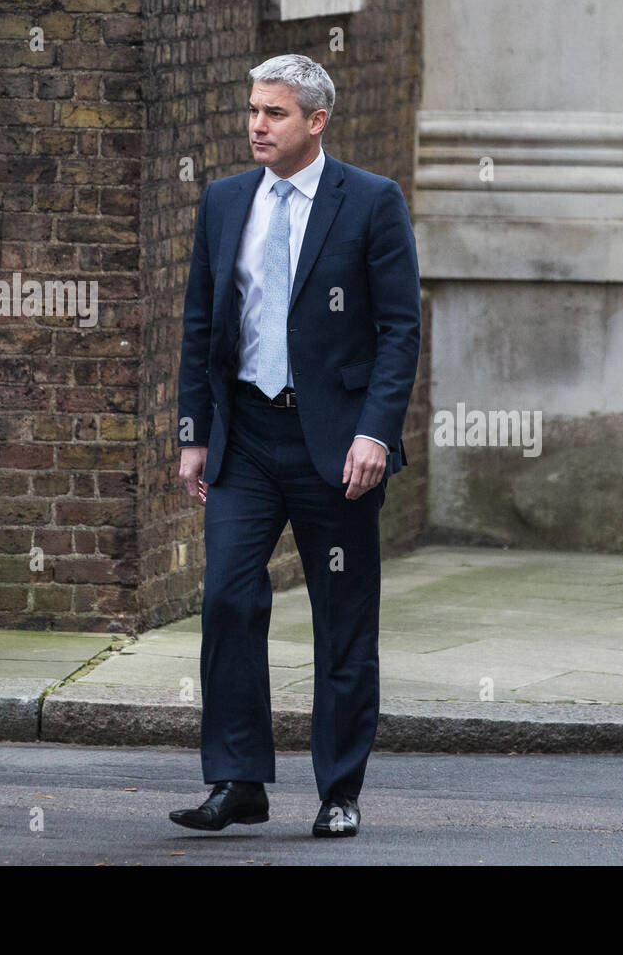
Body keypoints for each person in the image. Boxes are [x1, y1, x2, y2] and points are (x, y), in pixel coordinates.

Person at [169, 53, 420, 837]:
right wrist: (192, 434)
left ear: (316, 121)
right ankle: (238, 779)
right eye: (253, 110)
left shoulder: (371, 203)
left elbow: (399, 330)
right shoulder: (223, 202)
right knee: (227, 600)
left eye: (274, 113)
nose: (256, 125)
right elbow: (201, 327)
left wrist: (376, 430)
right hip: (245, 437)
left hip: (337, 447)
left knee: (342, 619)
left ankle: (339, 791)